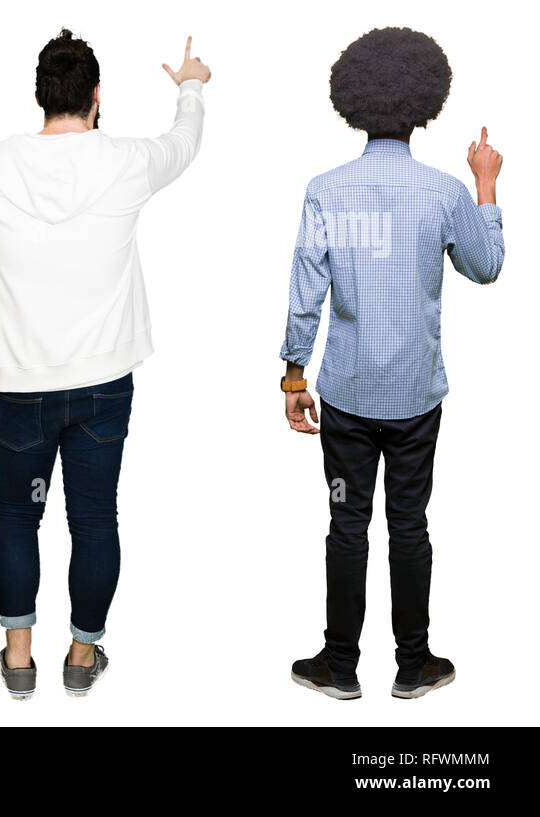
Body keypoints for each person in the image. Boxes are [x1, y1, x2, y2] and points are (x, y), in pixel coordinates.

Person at [0, 30, 209, 699]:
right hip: (101, 387)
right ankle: (83, 656)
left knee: (17, 515)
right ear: (96, 96)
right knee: (94, 518)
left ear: (40, 95)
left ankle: (17, 658)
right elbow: (184, 145)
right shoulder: (125, 161)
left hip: (20, 391)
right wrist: (189, 85)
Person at [281, 27, 504, 700]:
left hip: (346, 396)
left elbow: (305, 289)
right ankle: (414, 663)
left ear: (352, 100)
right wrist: (486, 184)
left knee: (346, 520)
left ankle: (339, 664)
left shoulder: (325, 189)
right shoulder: (443, 192)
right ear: (424, 100)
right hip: (415, 397)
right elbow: (486, 267)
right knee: (409, 524)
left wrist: (294, 374)